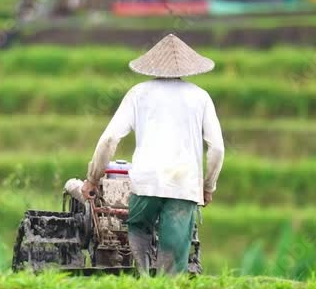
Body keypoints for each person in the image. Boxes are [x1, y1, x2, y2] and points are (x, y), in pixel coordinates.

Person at [81, 34, 225, 276]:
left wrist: (93, 178)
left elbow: (109, 139)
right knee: (174, 255)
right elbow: (217, 148)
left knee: (138, 229)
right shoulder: (201, 97)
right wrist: (208, 186)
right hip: (183, 185)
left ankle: (143, 280)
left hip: (146, 182)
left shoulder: (138, 93)